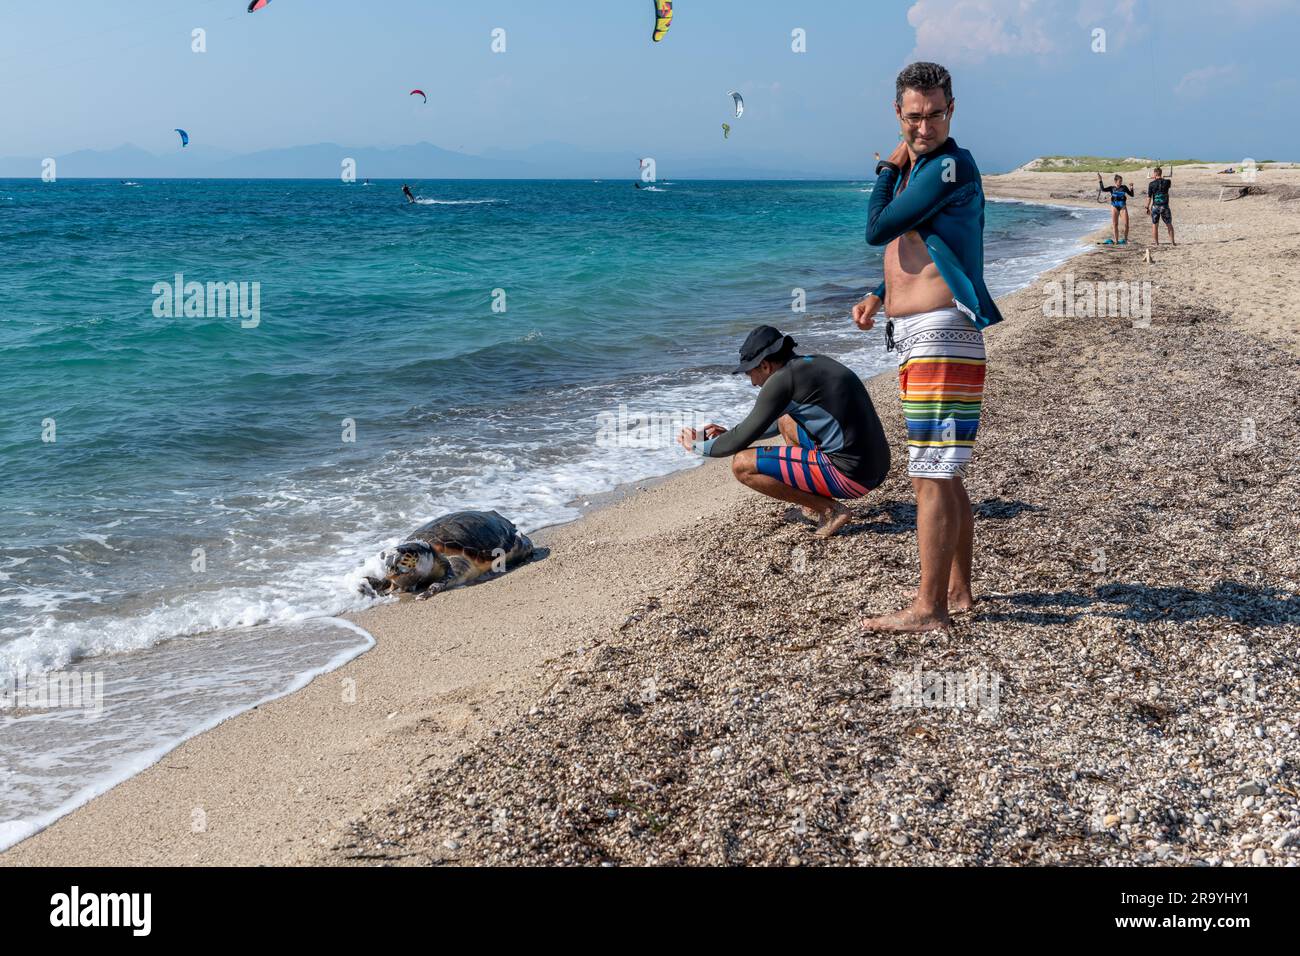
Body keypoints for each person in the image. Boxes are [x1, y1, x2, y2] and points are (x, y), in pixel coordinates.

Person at [850, 61, 1002, 633]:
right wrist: (879, 293)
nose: (924, 126)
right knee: (943, 470)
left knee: (931, 474)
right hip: (924, 334)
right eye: (914, 116)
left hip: (941, 334)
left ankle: (928, 608)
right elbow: (924, 247)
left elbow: (879, 228)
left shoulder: (948, 167)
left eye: (935, 114)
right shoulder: (929, 168)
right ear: (898, 111)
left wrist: (887, 168)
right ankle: (958, 592)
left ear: (951, 110)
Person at [677, 325, 890, 538]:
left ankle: (829, 510)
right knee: (786, 419)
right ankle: (811, 506)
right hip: (876, 467)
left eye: (750, 373)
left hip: (851, 478)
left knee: (742, 464)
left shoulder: (783, 380)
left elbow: (736, 443)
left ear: (765, 365)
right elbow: (764, 426)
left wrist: (695, 446)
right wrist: (729, 435)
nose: (753, 383)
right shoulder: (814, 362)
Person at [1098, 173, 1134, 245]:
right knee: (1115, 224)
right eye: (1119, 181)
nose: (1121, 183)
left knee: (1126, 224)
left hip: (1123, 207)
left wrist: (1131, 187)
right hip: (1114, 206)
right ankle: (1116, 241)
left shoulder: (1124, 187)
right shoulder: (1112, 188)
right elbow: (1103, 189)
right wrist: (1100, 180)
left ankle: (1125, 240)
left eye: (1121, 181)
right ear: (1115, 181)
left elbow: (1131, 195)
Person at [1146, 166, 1175, 245]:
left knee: (1155, 225)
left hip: (1155, 207)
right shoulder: (1167, 182)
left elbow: (1149, 197)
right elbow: (1165, 182)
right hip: (1165, 206)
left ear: (1154, 174)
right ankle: (1172, 242)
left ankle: (1156, 243)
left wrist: (1147, 207)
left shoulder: (1151, 184)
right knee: (1169, 224)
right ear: (1161, 173)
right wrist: (1162, 177)